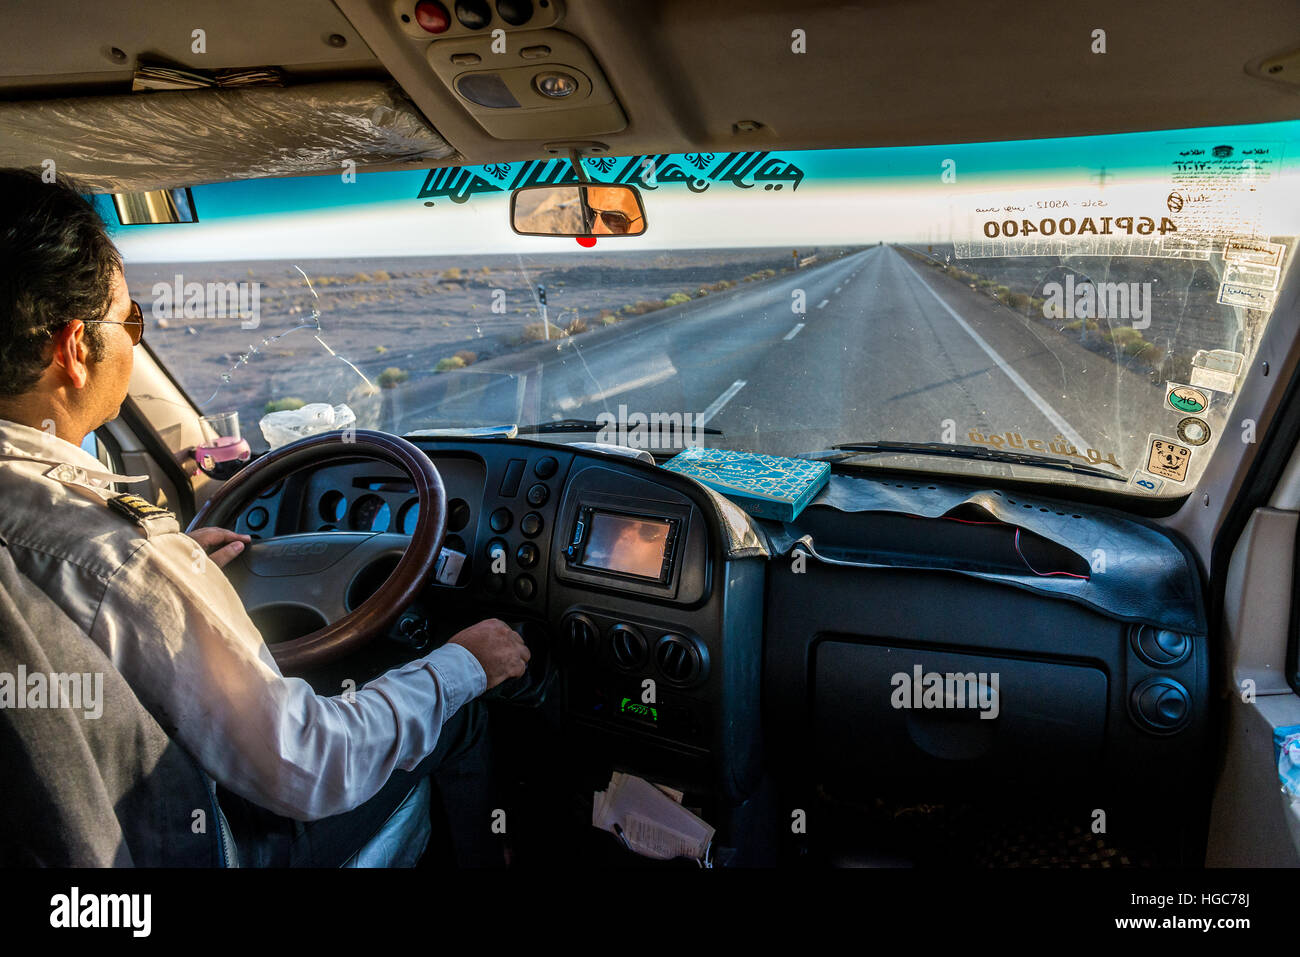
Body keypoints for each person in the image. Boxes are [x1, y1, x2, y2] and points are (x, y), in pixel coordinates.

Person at [0, 167, 530, 866]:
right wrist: (462, 662)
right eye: (130, 320)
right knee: (456, 715)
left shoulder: (99, 559)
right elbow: (307, 763)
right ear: (74, 349)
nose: (135, 336)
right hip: (191, 851)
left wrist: (176, 565)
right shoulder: (116, 557)